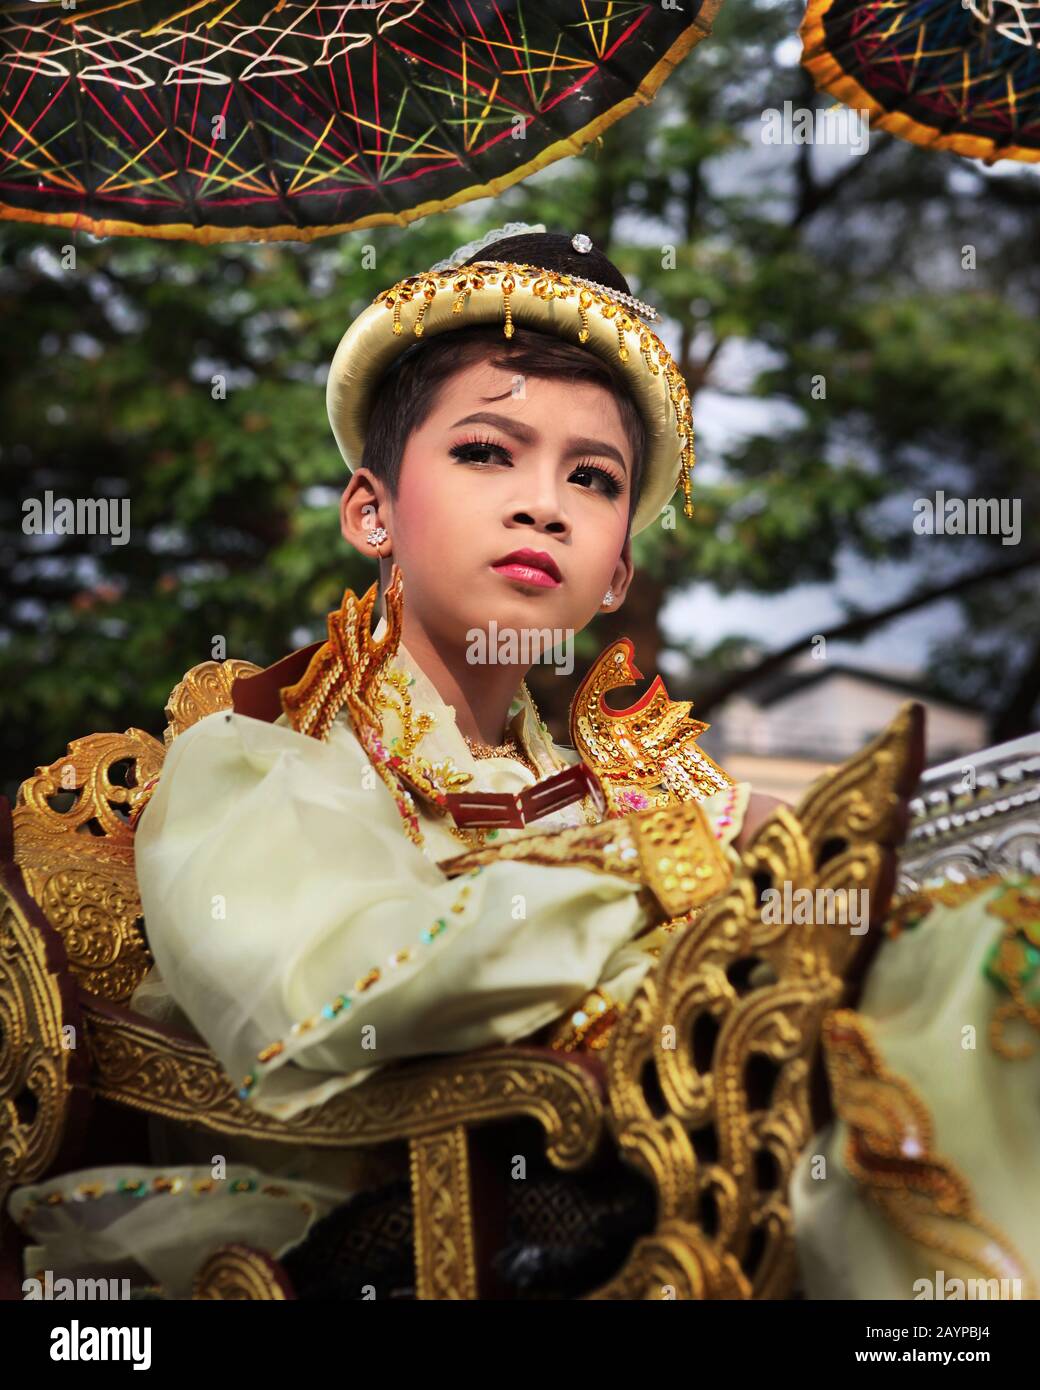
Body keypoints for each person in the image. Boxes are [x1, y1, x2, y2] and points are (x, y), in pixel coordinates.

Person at [9, 226, 779, 1297]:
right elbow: (322, 991)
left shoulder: (637, 781)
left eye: (592, 478)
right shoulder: (251, 759)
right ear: (371, 510)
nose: (542, 504)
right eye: (483, 452)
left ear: (615, 571)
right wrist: (666, 865)